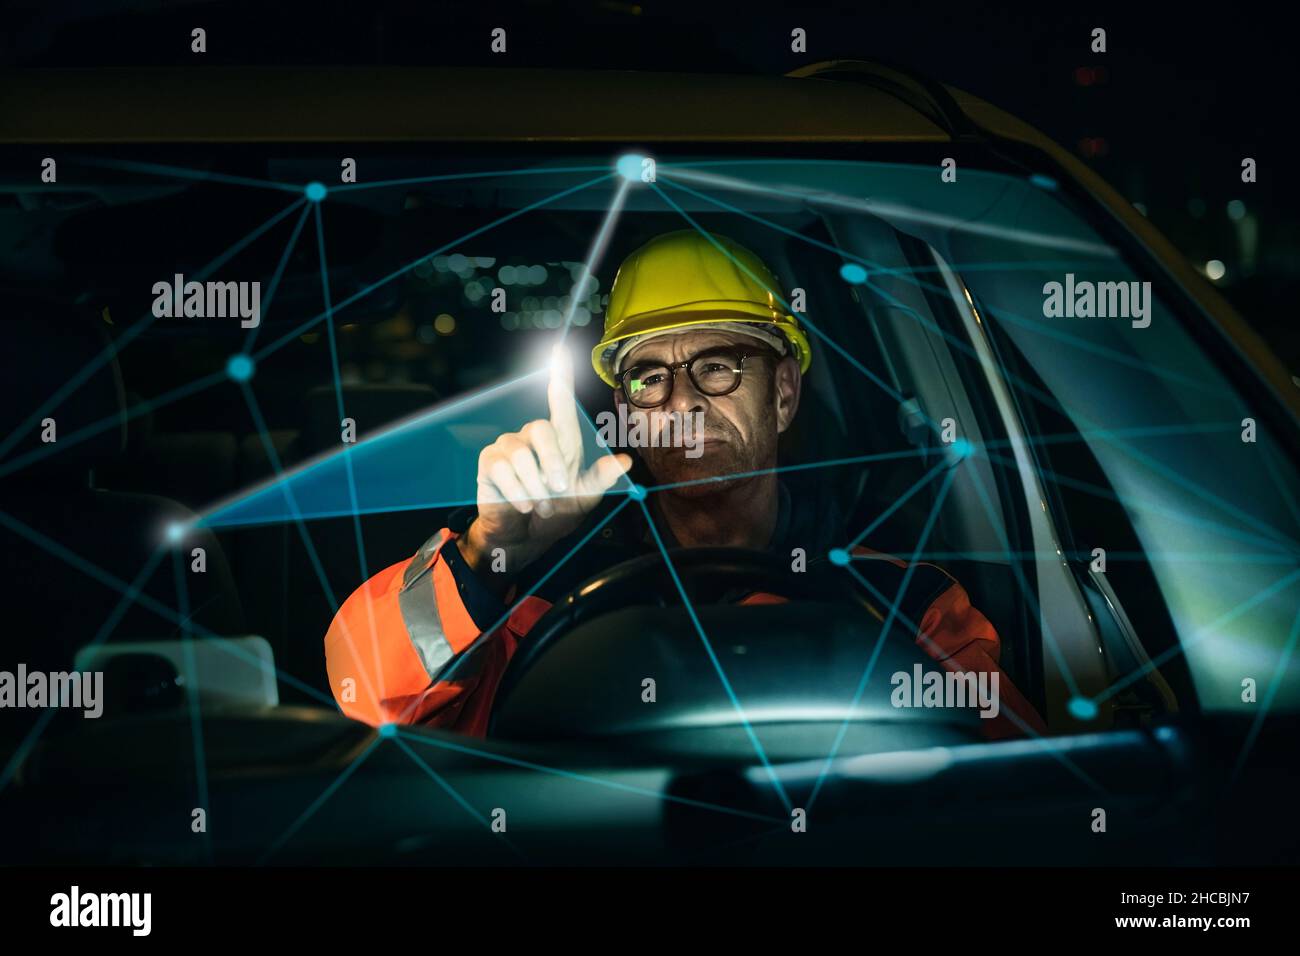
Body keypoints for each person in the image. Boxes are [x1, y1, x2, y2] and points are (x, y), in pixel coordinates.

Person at [324, 230, 1047, 740]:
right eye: (649, 377)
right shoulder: (528, 589)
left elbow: (1017, 789)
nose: (680, 403)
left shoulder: (899, 597)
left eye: (719, 363)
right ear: (624, 412)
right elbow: (372, 701)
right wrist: (488, 554)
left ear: (785, 392)